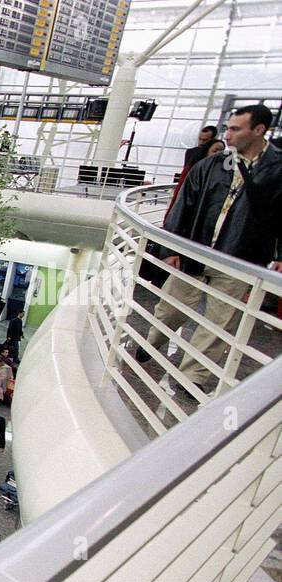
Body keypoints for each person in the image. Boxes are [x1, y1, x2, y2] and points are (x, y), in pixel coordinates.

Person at [136, 104, 282, 393]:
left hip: (240, 258)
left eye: (235, 129)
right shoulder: (212, 166)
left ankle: (193, 376)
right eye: (228, 127)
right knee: (172, 307)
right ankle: (152, 341)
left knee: (220, 322)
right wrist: (171, 249)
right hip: (195, 250)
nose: (227, 134)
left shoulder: (278, 170)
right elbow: (183, 206)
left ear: (259, 130)